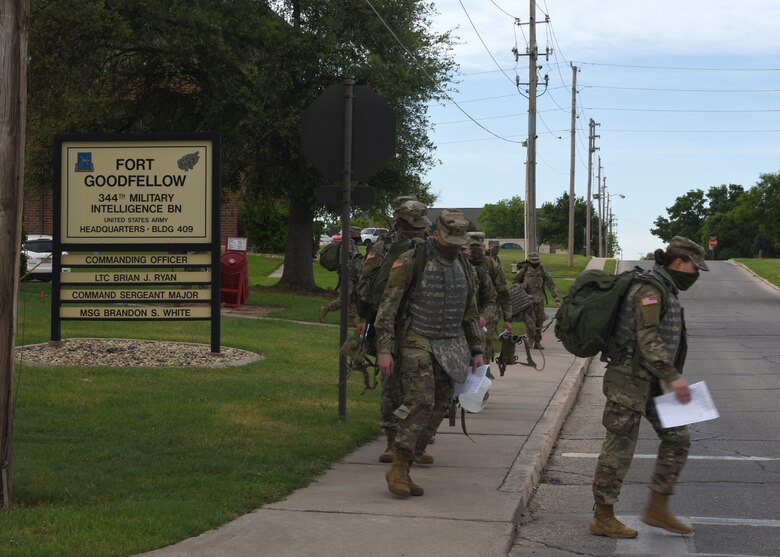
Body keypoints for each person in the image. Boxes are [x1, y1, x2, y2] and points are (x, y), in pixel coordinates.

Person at [590, 236, 708, 539]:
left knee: (678, 438)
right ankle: (602, 516)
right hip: (628, 380)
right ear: (679, 262)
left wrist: (665, 378)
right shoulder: (650, 289)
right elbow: (647, 338)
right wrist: (674, 377)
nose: (696, 274)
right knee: (619, 448)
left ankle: (658, 507)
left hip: (651, 382)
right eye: (695, 267)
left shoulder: (665, 288)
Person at [374, 209, 483, 498]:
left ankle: (408, 461)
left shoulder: (464, 265)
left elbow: (470, 311)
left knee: (440, 406)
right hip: (416, 338)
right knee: (420, 401)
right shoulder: (411, 261)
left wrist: (477, 349)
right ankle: (397, 465)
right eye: (448, 240)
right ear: (435, 234)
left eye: (458, 242)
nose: (453, 247)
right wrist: (385, 349)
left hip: (452, 343)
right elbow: (387, 308)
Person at [355, 197, 430, 464]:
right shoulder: (383, 246)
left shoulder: (428, 246)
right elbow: (366, 285)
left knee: (419, 385)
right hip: (387, 320)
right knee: (390, 383)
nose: (418, 230)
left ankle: (413, 442)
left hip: (420, 322)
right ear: (399, 219)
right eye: (413, 225)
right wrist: (363, 317)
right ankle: (391, 439)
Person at [513, 252, 560, 349]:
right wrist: (521, 285)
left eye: (537, 260)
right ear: (529, 261)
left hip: (540, 299)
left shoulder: (543, 271)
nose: (535, 262)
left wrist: (556, 299)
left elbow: (551, 285)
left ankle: (537, 342)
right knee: (531, 321)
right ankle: (530, 339)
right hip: (528, 299)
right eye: (533, 260)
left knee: (540, 320)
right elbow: (515, 282)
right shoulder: (524, 270)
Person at [319, 226, 363, 324]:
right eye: (358, 234)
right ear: (352, 234)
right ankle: (325, 309)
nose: (360, 236)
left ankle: (350, 319)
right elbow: (352, 260)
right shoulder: (348, 244)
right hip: (347, 275)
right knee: (345, 298)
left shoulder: (351, 244)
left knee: (353, 298)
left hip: (352, 275)